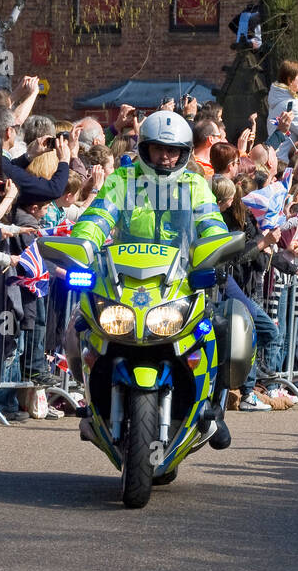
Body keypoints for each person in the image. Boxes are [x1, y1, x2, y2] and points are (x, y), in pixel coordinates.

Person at [71, 110, 233, 448]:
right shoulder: (122, 181)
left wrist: (219, 250)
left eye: (173, 151)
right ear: (145, 148)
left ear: (185, 153)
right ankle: (89, 403)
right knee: (78, 323)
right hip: (125, 280)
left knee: (227, 324)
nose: (166, 156)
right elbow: (98, 216)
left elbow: (211, 222)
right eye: (159, 148)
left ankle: (214, 410)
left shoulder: (194, 185)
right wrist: (82, 246)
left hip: (179, 281)